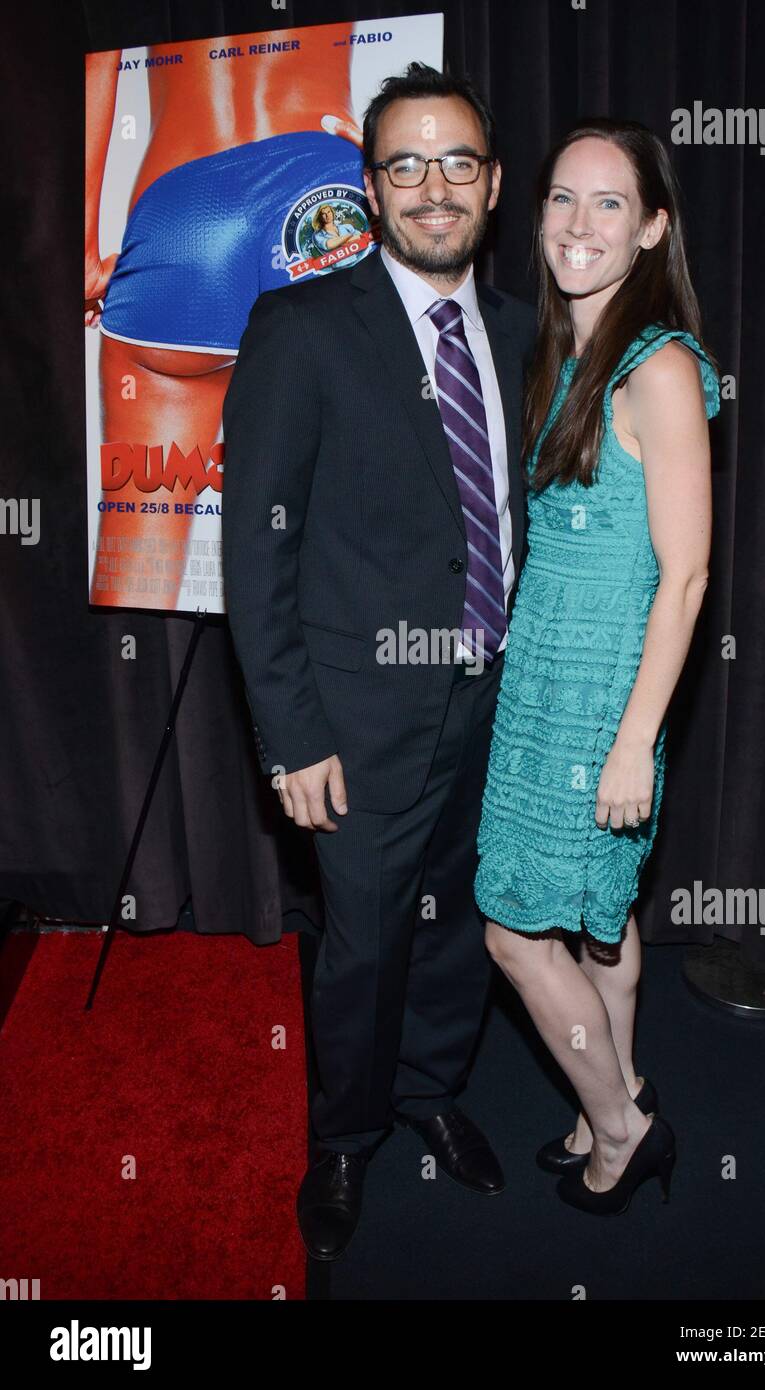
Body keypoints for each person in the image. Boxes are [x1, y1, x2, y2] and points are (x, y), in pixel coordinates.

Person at [221, 63, 536, 1260]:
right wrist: (291, 735)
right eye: (406, 164)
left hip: (494, 703)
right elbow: (256, 555)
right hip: (354, 721)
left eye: (458, 162)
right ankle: (345, 1136)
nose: (433, 187)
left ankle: (429, 1089)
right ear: (370, 188)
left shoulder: (523, 333)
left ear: (493, 185)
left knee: (458, 922)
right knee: (362, 945)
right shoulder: (301, 330)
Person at [474, 118, 721, 1216]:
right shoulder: (565, 354)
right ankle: (610, 1093)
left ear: (652, 227)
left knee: (512, 936)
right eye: (562, 198)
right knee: (598, 925)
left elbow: (687, 577)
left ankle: (623, 1129)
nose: (580, 223)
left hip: (602, 705)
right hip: (542, 686)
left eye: (609, 202)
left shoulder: (656, 366)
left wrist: (632, 742)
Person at [84, 27, 364, 608]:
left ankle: (130, 667)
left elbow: (98, 60)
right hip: (323, 185)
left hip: (183, 209)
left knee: (138, 544)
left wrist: (82, 246)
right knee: (357, 518)